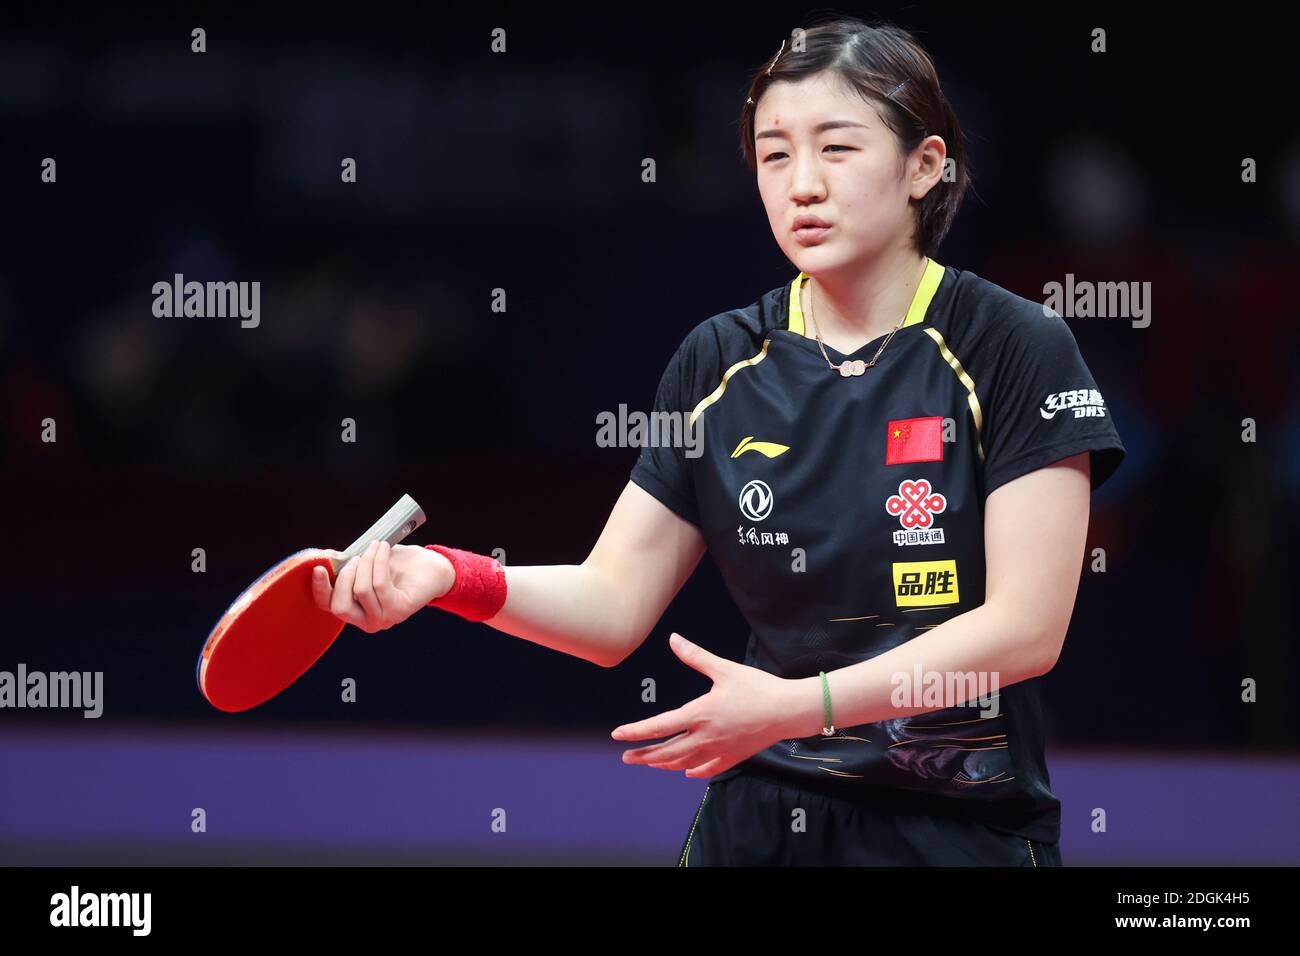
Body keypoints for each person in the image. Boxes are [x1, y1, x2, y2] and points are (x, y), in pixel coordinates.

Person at [310, 15, 1125, 866]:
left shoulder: (1013, 345)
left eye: (836, 149)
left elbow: (1028, 629)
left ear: (924, 165)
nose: (801, 184)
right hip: (760, 822)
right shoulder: (719, 359)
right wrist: (449, 575)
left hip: (959, 831)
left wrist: (799, 705)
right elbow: (610, 606)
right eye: (775, 155)